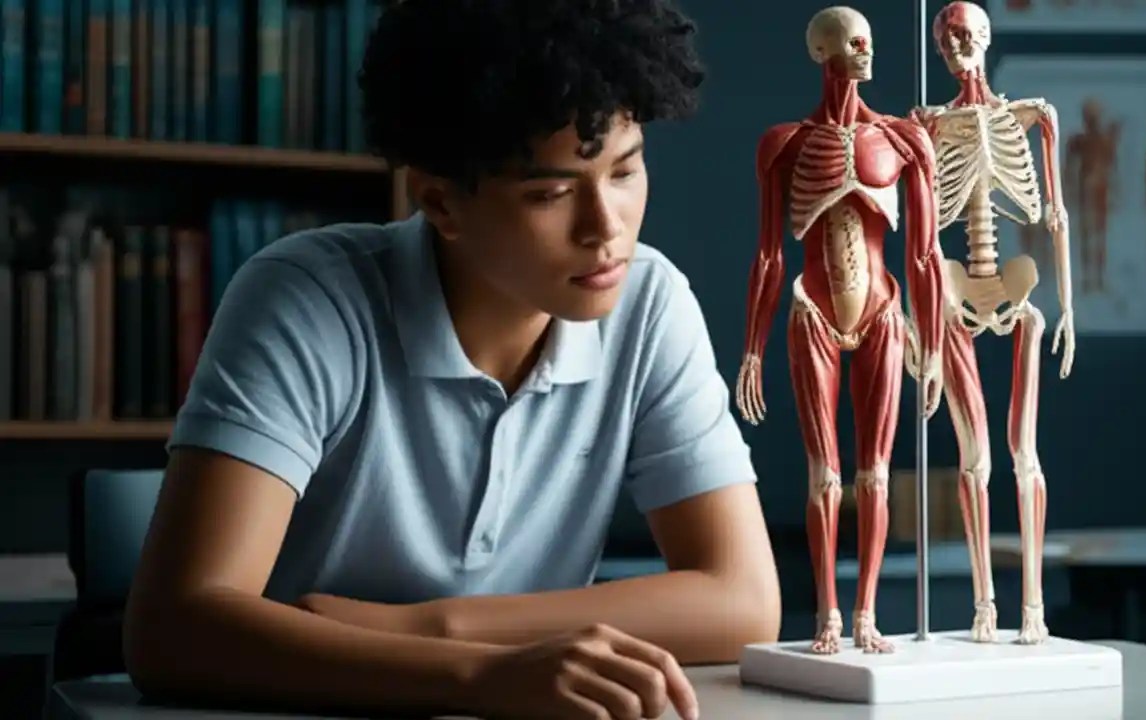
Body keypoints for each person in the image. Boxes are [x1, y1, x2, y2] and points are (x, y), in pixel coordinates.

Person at [121, 1, 780, 718]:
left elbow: (742, 601)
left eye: (625, 171)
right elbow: (173, 630)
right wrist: (480, 678)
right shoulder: (309, 301)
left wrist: (435, 628)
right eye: (551, 192)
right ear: (438, 200)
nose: (606, 230)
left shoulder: (648, 304)